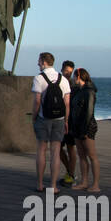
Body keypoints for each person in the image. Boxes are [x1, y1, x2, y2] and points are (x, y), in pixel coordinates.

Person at [31, 52, 71, 192]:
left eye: (39, 61)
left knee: (41, 150)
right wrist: (66, 120)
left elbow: (37, 101)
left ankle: (40, 184)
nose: (38, 63)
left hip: (43, 118)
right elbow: (67, 103)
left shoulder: (39, 78)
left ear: (44, 62)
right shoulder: (63, 80)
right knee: (55, 152)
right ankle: (53, 186)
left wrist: (34, 117)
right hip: (59, 119)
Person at [69, 68, 100, 192]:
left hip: (87, 128)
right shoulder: (79, 91)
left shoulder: (89, 92)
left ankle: (96, 184)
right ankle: (84, 182)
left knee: (92, 156)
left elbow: (88, 112)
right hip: (77, 127)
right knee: (81, 155)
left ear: (78, 77)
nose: (72, 79)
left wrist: (84, 130)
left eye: (73, 76)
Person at [57, 60, 79, 186]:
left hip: (70, 122)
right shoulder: (58, 82)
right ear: (62, 70)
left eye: (70, 72)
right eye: (66, 71)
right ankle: (69, 171)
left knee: (71, 147)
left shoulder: (74, 85)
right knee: (59, 147)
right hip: (60, 120)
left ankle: (70, 174)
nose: (67, 74)